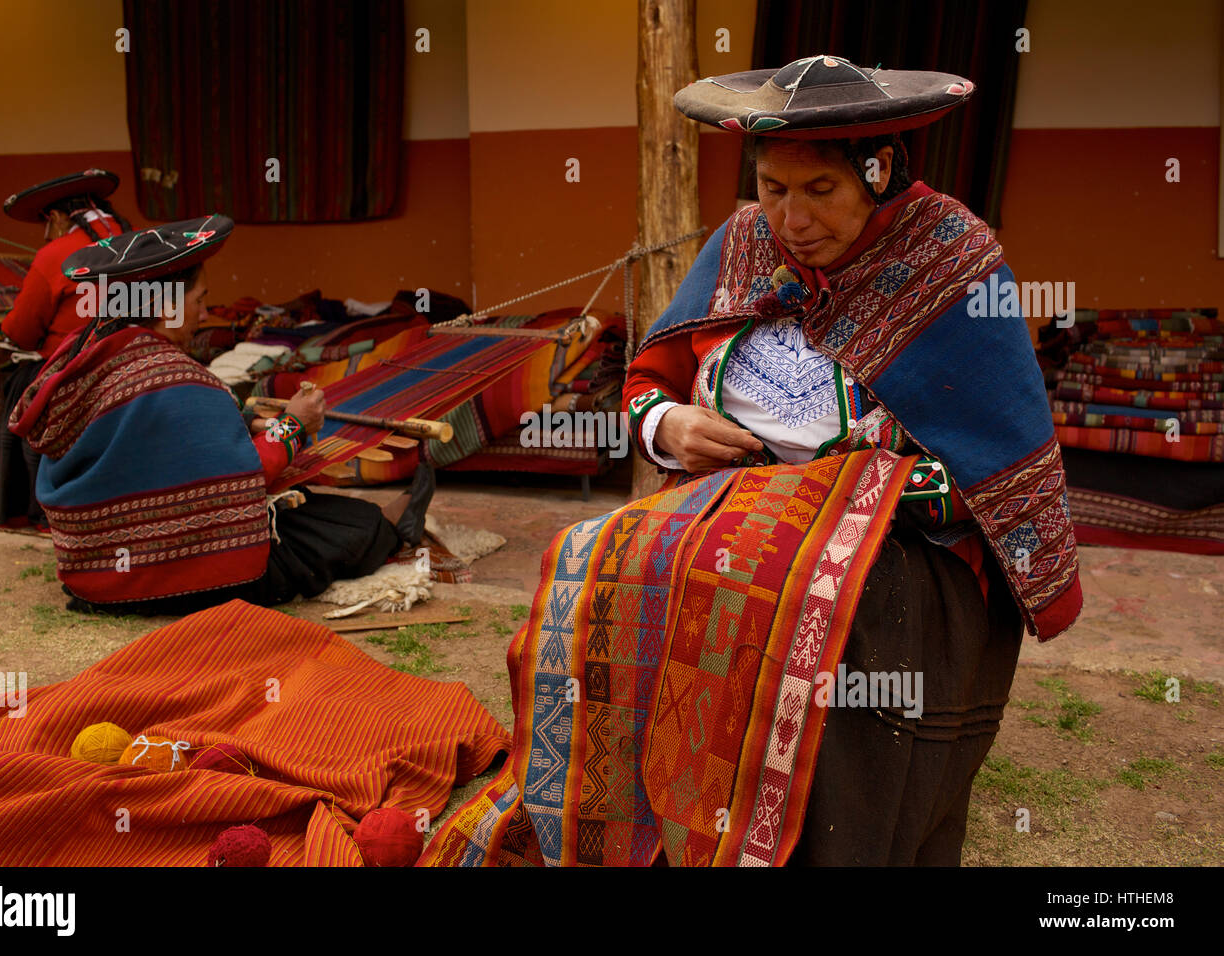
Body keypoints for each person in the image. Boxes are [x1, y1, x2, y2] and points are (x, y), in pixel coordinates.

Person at [422, 56, 1082, 868]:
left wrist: (849, 494)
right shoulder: (739, 242)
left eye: (821, 191)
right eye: (773, 188)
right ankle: (625, 823)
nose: (791, 219)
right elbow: (646, 381)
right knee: (597, 562)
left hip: (900, 545)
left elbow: (995, 480)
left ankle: (797, 839)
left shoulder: (951, 262)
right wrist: (668, 427)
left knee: (791, 600)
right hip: (721, 504)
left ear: (879, 175)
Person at [8, 215, 434, 616]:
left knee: (306, 511)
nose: (206, 314)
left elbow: (161, 441)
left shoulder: (92, 352)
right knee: (344, 528)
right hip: (168, 576)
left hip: (91, 570)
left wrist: (243, 422)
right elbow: (244, 477)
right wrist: (294, 425)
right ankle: (387, 529)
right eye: (200, 300)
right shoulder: (171, 377)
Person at [0, 169, 129, 529]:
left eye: (45, 223)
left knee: (20, 386)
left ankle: (33, 511)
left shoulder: (55, 255)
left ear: (55, 217)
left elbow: (20, 331)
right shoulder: (134, 240)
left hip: (72, 369)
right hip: (129, 359)